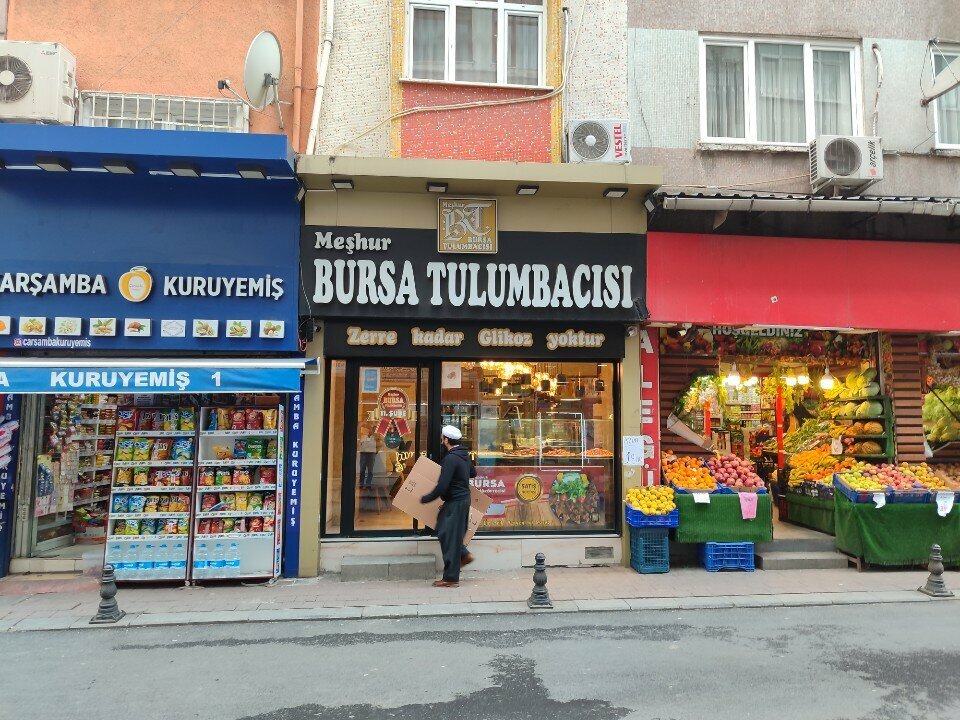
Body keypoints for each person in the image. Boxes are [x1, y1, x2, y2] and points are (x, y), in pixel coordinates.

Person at [421, 425, 474, 587]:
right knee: (446, 531)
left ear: (446, 440)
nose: (442, 441)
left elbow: (442, 485)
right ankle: (463, 555)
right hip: (463, 500)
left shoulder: (451, 458)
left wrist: (427, 498)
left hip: (455, 502)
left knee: (448, 534)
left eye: (442, 439)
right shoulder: (463, 454)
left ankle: (451, 578)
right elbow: (473, 472)